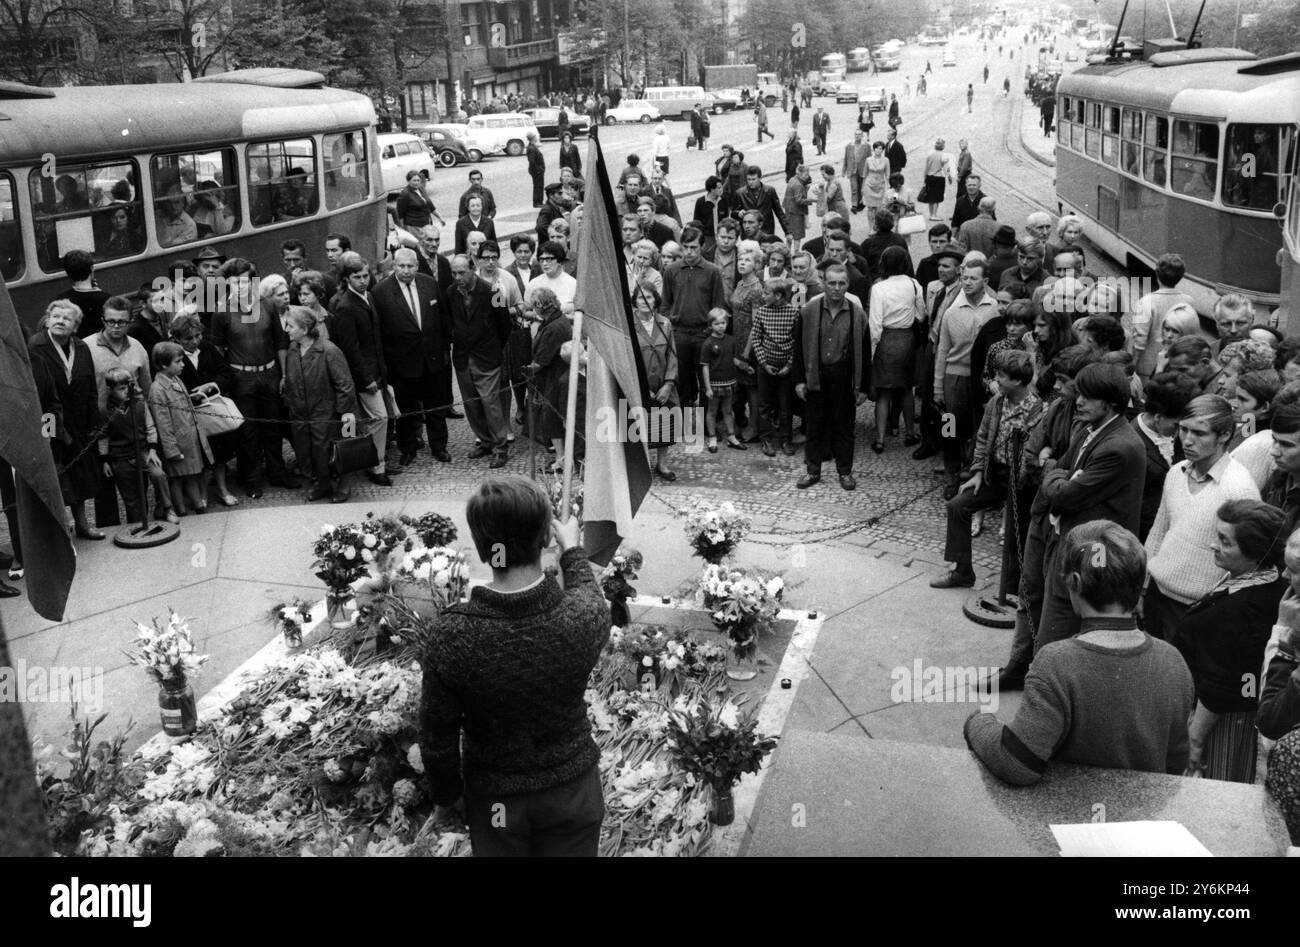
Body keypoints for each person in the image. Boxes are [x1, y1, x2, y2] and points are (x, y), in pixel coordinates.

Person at [419, 476, 606, 856]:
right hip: (570, 796)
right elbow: (589, 592)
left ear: (482, 546)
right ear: (544, 538)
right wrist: (571, 549)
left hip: (498, 807)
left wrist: (446, 796)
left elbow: (436, 735)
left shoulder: (452, 633)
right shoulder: (580, 618)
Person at [964, 520, 1195, 785]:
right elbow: (1176, 762)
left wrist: (978, 723)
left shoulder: (1057, 663)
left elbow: (1016, 763)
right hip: (1142, 819)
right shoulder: (1173, 661)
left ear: (1074, 582)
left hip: (1072, 821)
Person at [1033, 363, 1149, 652]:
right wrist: (1058, 473)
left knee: (1056, 640)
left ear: (1109, 404)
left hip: (1091, 559)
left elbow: (1064, 495)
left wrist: (1052, 472)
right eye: (1079, 393)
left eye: (1088, 396)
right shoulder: (1090, 430)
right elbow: (1061, 470)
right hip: (1066, 542)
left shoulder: (1119, 447)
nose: (1078, 401)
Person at [1177, 500, 1287, 781]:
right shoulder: (1265, 582)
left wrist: (1195, 740)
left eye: (1225, 541)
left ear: (1256, 552)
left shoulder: (1243, 608)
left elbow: (1220, 684)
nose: (1214, 545)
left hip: (1221, 725)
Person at [1143, 394, 1260, 643]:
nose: (1187, 440)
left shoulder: (1239, 489)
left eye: (1199, 433)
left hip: (1198, 610)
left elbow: (1247, 565)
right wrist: (1141, 589)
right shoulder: (1176, 472)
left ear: (1225, 435)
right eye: (1183, 430)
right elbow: (1158, 532)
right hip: (1156, 595)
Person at [211, 258, 293, 498]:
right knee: (248, 432)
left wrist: (284, 373)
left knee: (273, 427)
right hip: (241, 378)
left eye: (244, 281)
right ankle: (252, 479)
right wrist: (226, 383)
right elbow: (217, 351)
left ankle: (278, 473)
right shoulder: (221, 313)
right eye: (234, 282)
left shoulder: (267, 305)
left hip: (269, 374)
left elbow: (280, 341)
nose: (240, 286)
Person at [29, 300, 104, 538]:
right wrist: (51, 434)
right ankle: (59, 533)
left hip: (78, 422)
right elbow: (37, 395)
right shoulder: (36, 346)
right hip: (48, 422)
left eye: (67, 318)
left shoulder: (81, 348)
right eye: (56, 316)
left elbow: (91, 388)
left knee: (79, 478)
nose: (60, 321)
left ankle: (82, 525)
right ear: (48, 319)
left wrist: (94, 423)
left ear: (76, 325)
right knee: (55, 475)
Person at [373, 247, 452, 466]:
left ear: (417, 266)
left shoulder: (429, 284)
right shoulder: (381, 292)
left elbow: (443, 318)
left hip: (432, 359)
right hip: (402, 363)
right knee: (407, 410)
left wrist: (444, 349)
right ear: (394, 266)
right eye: (401, 266)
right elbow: (379, 332)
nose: (406, 271)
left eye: (410, 266)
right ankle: (407, 448)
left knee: (436, 406)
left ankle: (439, 446)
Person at [793, 263, 867, 491]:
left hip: (843, 375)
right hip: (816, 373)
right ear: (824, 283)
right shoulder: (809, 310)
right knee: (815, 426)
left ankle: (845, 472)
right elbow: (798, 348)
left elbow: (865, 352)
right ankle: (812, 471)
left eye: (841, 283)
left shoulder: (856, 312)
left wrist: (862, 386)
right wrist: (799, 380)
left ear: (848, 285)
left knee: (843, 427)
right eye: (832, 283)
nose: (836, 288)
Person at [933, 259, 1000, 499]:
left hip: (982, 380)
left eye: (973, 278)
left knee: (980, 428)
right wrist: (938, 387)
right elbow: (942, 351)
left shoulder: (994, 308)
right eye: (965, 277)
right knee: (949, 428)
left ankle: (975, 474)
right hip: (955, 378)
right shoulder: (952, 311)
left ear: (986, 281)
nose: (968, 282)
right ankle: (951, 476)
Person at [329, 253, 395, 487]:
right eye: (357, 277)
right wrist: (365, 378)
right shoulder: (346, 305)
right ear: (347, 279)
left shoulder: (367, 297)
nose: (363, 280)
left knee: (373, 419)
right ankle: (377, 467)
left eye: (366, 275)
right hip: (365, 377)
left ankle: (373, 462)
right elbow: (351, 349)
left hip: (377, 371)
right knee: (379, 418)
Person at [282, 307, 356, 504]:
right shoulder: (293, 349)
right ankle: (322, 484)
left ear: (304, 329)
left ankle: (344, 485)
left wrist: (342, 417)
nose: (286, 329)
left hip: (327, 414)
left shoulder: (329, 351)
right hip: (301, 413)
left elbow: (345, 386)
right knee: (311, 451)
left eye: (290, 325)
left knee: (334, 450)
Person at [448, 254, 513, 468]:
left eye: (462, 272)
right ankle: (484, 441)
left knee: (491, 403)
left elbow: (505, 325)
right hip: (463, 359)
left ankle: (500, 447)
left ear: (472, 268)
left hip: (487, 358)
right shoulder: (450, 293)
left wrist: (494, 349)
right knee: (471, 404)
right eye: (454, 273)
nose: (458, 277)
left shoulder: (493, 291)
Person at [170, 311, 239, 507]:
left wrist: (210, 386)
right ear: (176, 339)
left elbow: (226, 372)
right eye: (188, 338)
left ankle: (223, 489)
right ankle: (202, 494)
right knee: (198, 455)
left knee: (219, 454)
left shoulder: (207, 349)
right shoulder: (173, 356)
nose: (195, 341)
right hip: (188, 413)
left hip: (212, 410)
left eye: (197, 336)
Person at [99, 367, 172, 525]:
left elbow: (150, 428)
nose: (126, 391)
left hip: (143, 452)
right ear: (111, 390)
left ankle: (167, 508)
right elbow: (103, 438)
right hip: (120, 458)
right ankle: (138, 523)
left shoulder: (140, 404)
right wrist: (105, 460)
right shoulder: (105, 411)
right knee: (131, 497)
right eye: (121, 389)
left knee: (158, 475)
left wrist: (152, 451)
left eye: (128, 387)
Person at [868, 246, 923, 454]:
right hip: (907, 338)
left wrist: (872, 351)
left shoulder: (879, 288)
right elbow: (921, 315)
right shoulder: (914, 284)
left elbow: (875, 323)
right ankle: (909, 432)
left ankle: (880, 439)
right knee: (907, 389)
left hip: (886, 339)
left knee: (884, 392)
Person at [149, 339, 211, 515]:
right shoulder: (158, 389)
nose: (183, 365)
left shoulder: (176, 379)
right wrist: (171, 450)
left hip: (188, 440)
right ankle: (181, 509)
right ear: (163, 364)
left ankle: (197, 504)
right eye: (178, 362)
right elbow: (163, 424)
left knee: (191, 474)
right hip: (177, 444)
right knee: (176, 478)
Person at [749, 276, 799, 458]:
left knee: (785, 405)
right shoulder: (762, 312)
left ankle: (786, 439)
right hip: (766, 367)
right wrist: (764, 363)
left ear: (778, 295)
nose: (763, 295)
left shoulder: (793, 312)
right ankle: (766, 439)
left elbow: (797, 342)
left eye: (766, 293)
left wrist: (789, 365)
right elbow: (756, 339)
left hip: (786, 368)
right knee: (765, 404)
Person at [921, 139, 951, 221]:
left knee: (930, 196)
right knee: (937, 196)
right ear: (943, 146)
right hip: (939, 177)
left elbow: (926, 167)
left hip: (929, 177)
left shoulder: (929, 154)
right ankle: (934, 215)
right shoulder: (944, 155)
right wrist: (949, 176)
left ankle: (931, 214)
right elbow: (946, 168)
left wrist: (925, 178)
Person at [862, 142, 890, 228]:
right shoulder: (868, 160)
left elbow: (887, 174)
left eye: (881, 148)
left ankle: (877, 226)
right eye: (877, 148)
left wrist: (888, 186)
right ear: (874, 149)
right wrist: (863, 187)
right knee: (870, 208)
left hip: (880, 186)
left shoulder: (886, 160)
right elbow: (864, 174)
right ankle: (871, 227)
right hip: (869, 185)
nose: (879, 150)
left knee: (878, 209)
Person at [525, 132, 545, 207]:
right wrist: (539, 169)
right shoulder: (531, 148)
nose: (536, 138)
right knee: (538, 186)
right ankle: (537, 202)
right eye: (535, 137)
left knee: (539, 186)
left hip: (538, 170)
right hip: (536, 171)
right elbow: (532, 161)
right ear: (533, 138)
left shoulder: (533, 146)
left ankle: (539, 201)